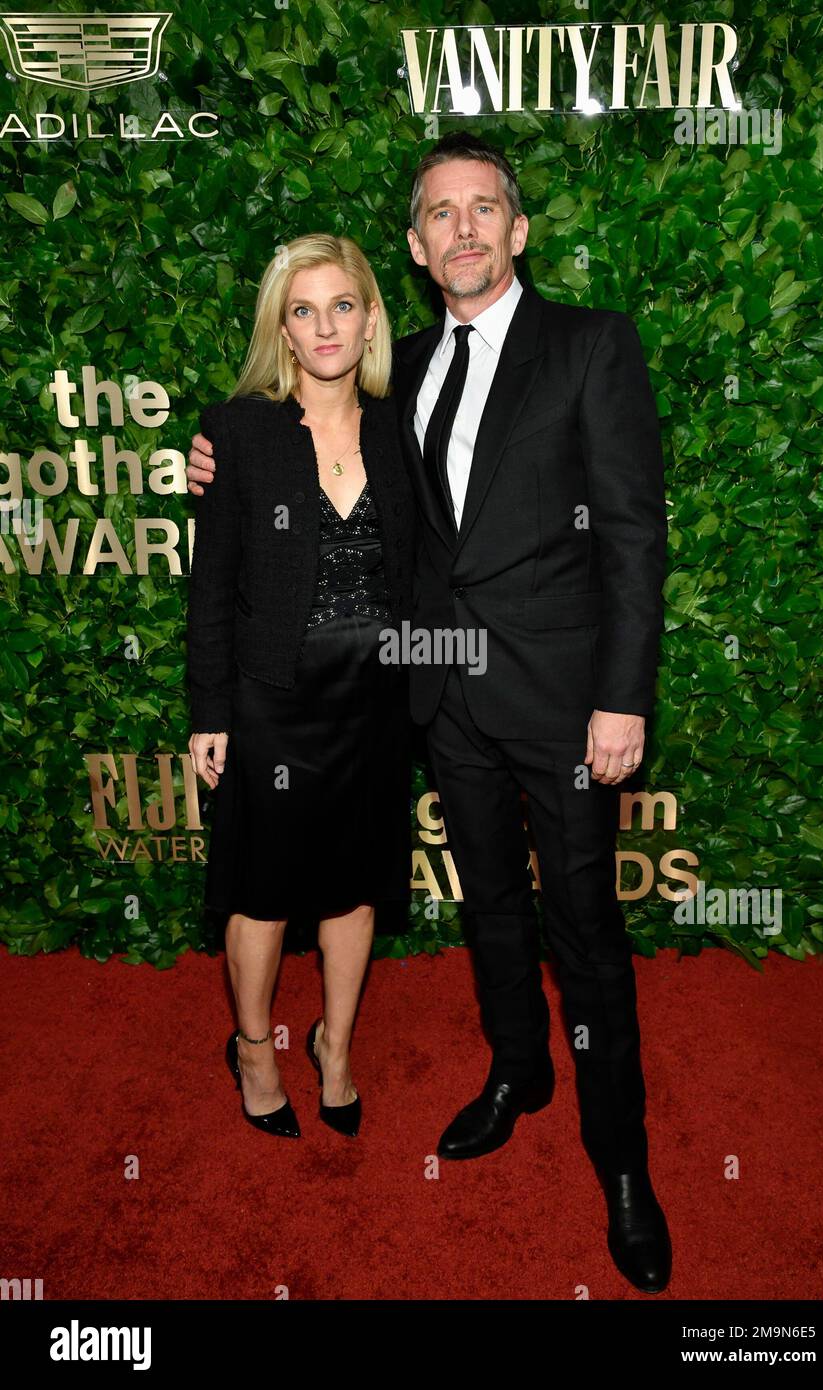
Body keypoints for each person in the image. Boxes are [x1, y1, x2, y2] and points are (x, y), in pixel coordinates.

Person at [187, 135, 671, 1294]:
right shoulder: (390, 366)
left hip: (563, 705)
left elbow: (632, 534)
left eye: (483, 208)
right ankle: (517, 1071)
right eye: (438, 214)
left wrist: (621, 697)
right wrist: (201, 455)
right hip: (437, 692)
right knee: (490, 910)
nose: (461, 228)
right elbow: (277, 444)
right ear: (413, 247)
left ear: (516, 230)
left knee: (587, 937)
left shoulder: (587, 344)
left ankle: (622, 1167)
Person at [186, 233, 416, 1141]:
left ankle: (336, 1046)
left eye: (344, 305)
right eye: (304, 310)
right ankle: (252, 1047)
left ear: (369, 320)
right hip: (273, 699)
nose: (326, 326)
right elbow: (211, 587)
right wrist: (211, 711)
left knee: (354, 887)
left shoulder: (405, 425)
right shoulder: (238, 431)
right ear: (282, 329)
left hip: (377, 700)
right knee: (264, 889)